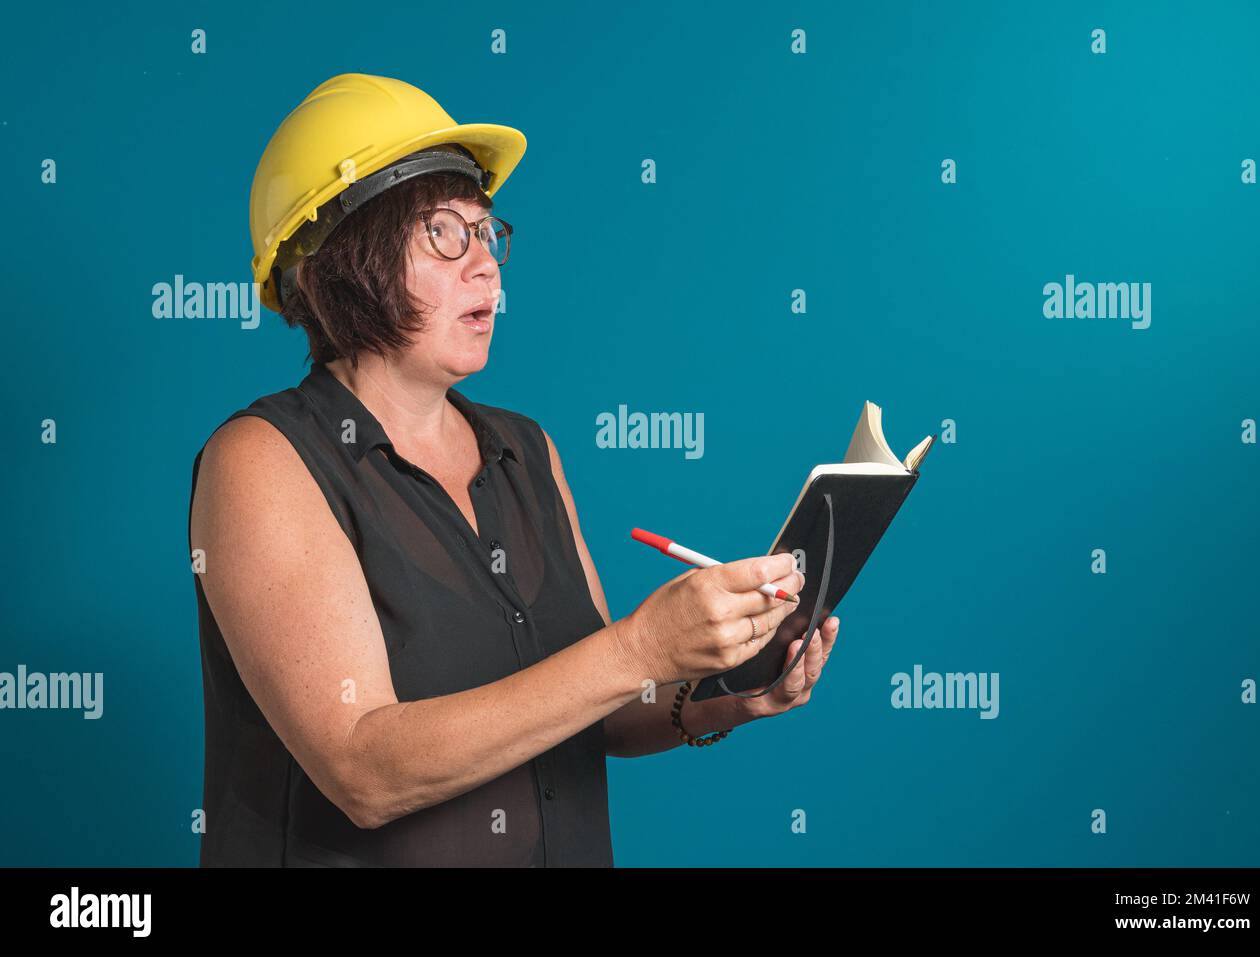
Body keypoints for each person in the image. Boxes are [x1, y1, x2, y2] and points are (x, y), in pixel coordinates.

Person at [188, 72, 841, 867]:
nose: (487, 267)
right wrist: (639, 646)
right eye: (442, 233)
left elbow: (599, 711)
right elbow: (362, 769)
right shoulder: (260, 460)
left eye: (487, 232)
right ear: (343, 260)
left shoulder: (526, 449)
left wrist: (730, 690)